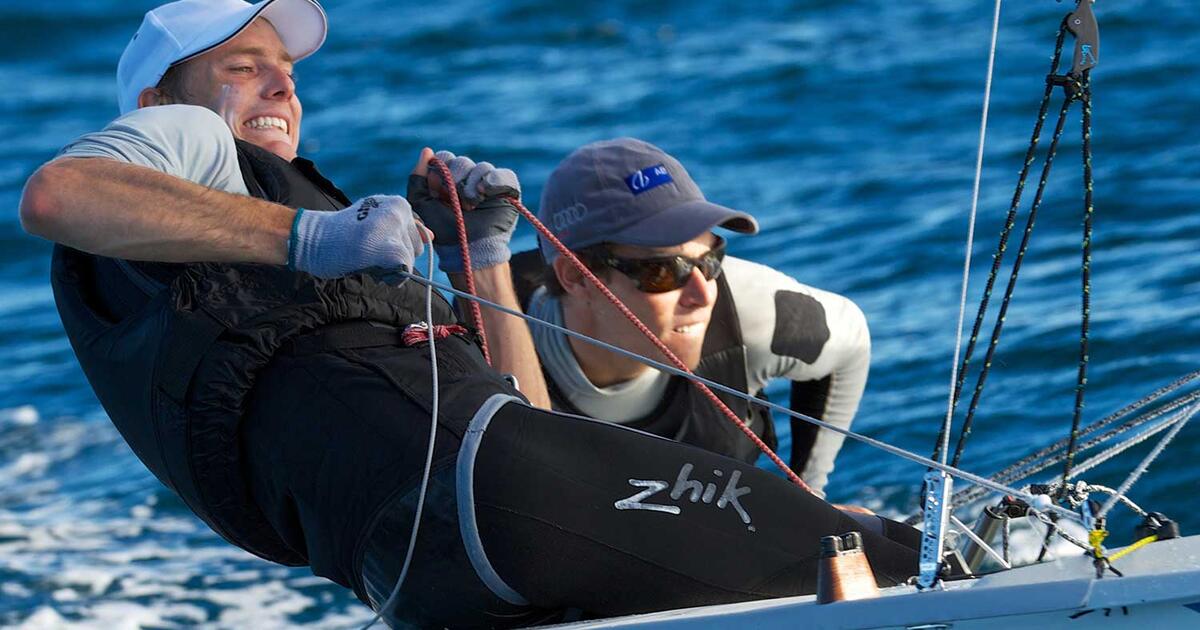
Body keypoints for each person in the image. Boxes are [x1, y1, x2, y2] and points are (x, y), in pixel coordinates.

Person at [20, 1, 921, 626]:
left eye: (287, 72)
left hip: (419, 569)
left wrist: (478, 256)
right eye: (241, 69)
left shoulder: (195, 244)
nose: (281, 90)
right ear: (155, 102)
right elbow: (57, 194)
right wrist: (312, 241)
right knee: (878, 558)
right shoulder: (184, 140)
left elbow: (520, 415)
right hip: (479, 494)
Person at [441, 139, 870, 495]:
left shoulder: (747, 308)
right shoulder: (480, 328)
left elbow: (850, 338)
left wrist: (811, 494)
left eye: (711, 259)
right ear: (577, 277)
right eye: (664, 271)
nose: (703, 294)